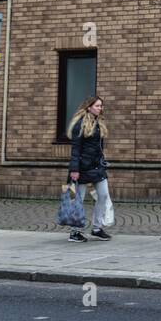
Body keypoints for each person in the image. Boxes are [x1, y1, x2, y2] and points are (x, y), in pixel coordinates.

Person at [66, 95, 112, 242]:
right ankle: (75, 232)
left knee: (103, 196)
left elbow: (98, 148)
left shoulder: (99, 123)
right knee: (77, 199)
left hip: (97, 167)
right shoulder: (79, 124)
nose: (100, 108)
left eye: (101, 106)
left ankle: (97, 228)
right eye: (98, 106)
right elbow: (75, 149)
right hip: (81, 168)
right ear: (89, 107)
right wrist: (74, 169)